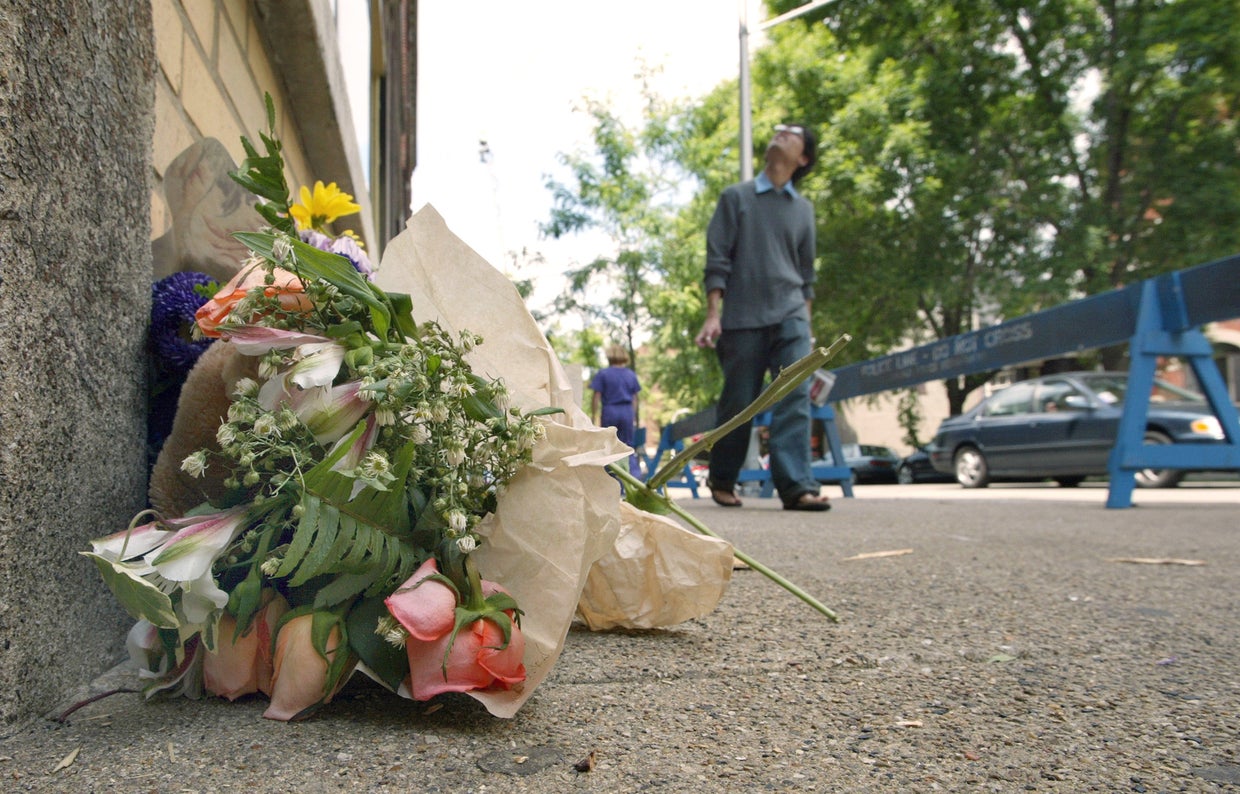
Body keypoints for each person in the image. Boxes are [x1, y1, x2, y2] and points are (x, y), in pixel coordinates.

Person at [693, 122, 831, 511]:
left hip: (791, 315)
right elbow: (717, 259)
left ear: (803, 158)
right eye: (779, 129)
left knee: (795, 395)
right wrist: (712, 314)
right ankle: (722, 478)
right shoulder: (735, 198)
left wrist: (807, 326)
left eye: (792, 132)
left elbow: (806, 276)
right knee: (738, 401)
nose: (780, 132)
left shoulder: (804, 210)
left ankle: (796, 487)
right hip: (742, 317)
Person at [590, 344, 643, 478]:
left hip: (610, 411)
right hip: (627, 411)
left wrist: (593, 415)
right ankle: (633, 479)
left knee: (609, 446)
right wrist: (634, 417)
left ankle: (611, 480)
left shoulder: (603, 374)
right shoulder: (631, 375)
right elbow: (635, 398)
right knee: (627, 446)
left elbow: (596, 396)